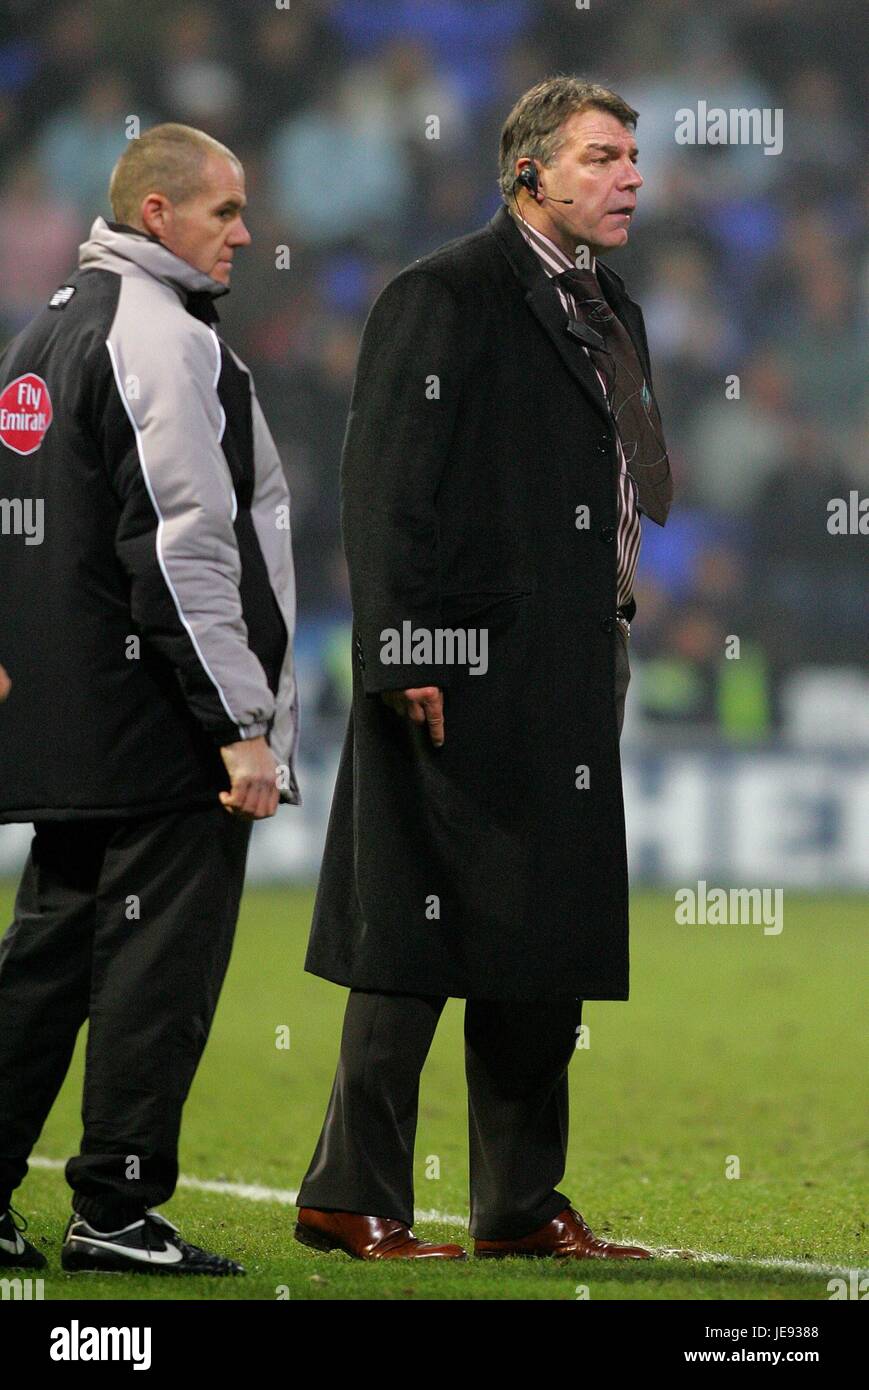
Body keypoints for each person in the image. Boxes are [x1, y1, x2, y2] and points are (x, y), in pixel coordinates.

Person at [295, 77, 673, 1261]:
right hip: (454, 662)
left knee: (543, 931)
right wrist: (405, 641)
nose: (629, 179)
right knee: (415, 925)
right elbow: (385, 483)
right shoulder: (444, 293)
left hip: (570, 656)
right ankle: (347, 1193)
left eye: (631, 158)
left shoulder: (608, 302)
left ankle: (517, 1202)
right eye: (602, 158)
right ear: (529, 173)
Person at [0, 123, 299, 1276]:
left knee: (48, 961)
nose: (244, 233)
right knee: (154, 971)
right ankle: (115, 1211)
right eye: (224, 212)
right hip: (155, 727)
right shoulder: (156, 337)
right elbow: (182, 547)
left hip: (68, 721)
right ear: (159, 215)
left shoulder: (46, 330)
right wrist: (237, 723)